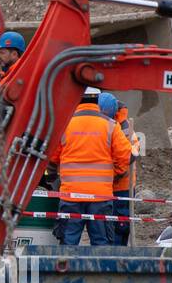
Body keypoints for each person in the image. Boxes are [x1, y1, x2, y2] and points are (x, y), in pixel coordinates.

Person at [51, 87, 133, 247]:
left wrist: (55, 175)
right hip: (100, 197)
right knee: (102, 245)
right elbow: (126, 155)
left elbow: (52, 157)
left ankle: (66, 272)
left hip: (70, 195)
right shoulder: (110, 125)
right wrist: (116, 173)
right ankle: (101, 273)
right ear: (97, 101)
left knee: (68, 243)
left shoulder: (65, 124)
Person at [97, 92, 140, 245]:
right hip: (110, 184)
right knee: (108, 224)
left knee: (120, 226)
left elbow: (132, 153)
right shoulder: (112, 124)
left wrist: (116, 174)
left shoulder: (123, 127)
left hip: (122, 185)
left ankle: (116, 258)